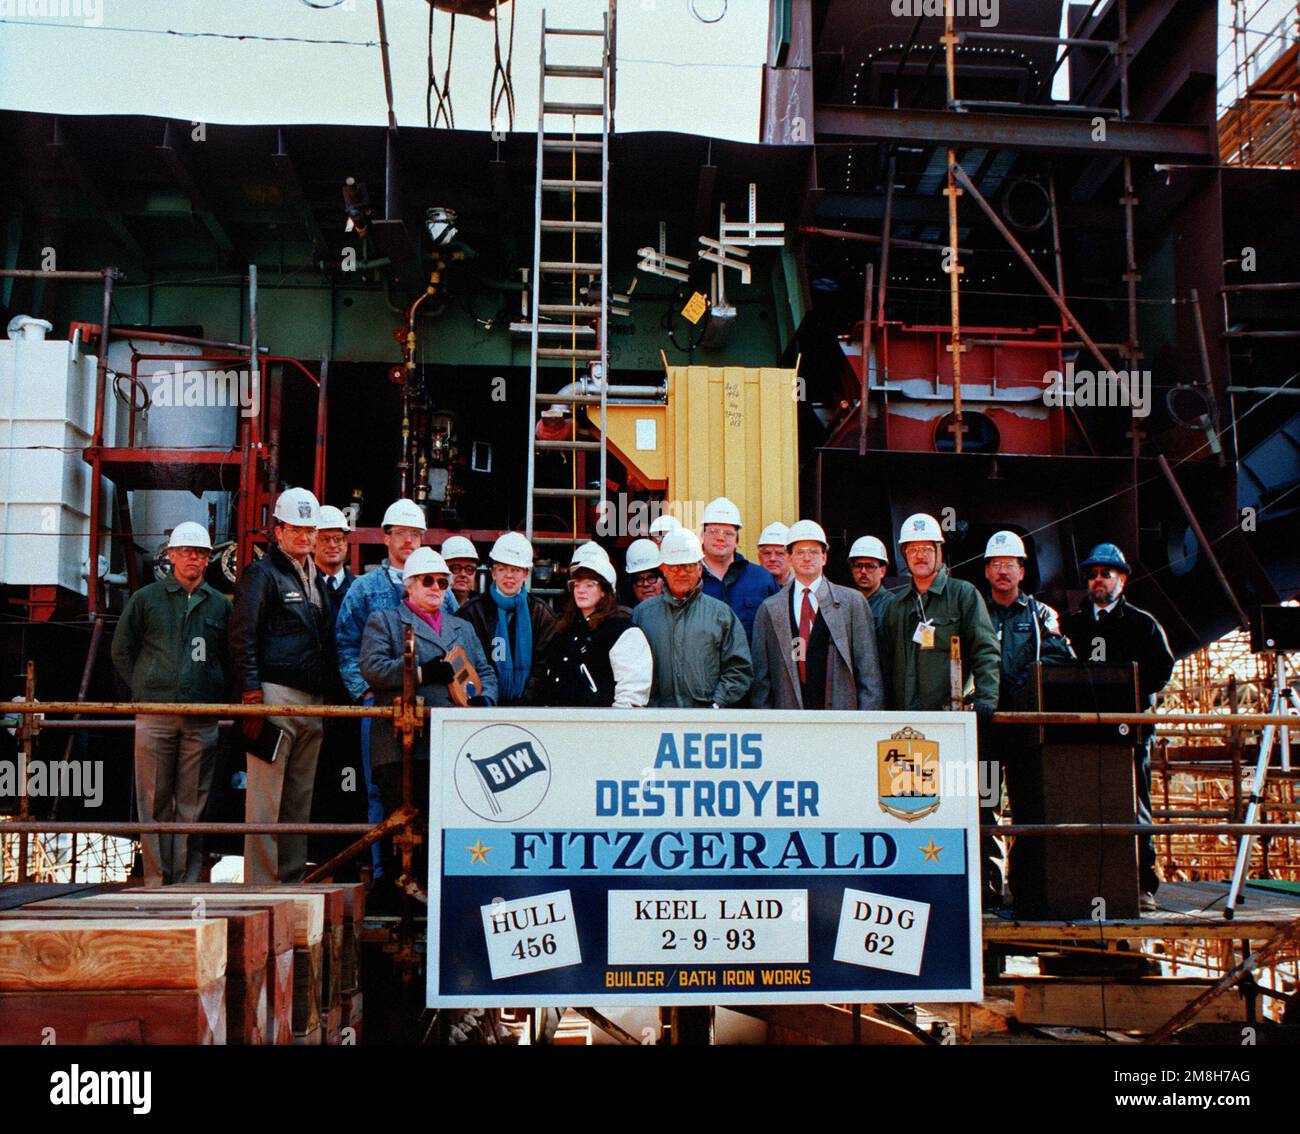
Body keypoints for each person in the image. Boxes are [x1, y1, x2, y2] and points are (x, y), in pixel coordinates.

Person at [879, 512, 1001, 905]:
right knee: (910, 810)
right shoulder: (897, 607)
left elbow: (985, 649)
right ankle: (920, 890)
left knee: (972, 808)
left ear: (938, 552)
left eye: (925, 549)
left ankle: (984, 891)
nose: (919, 556)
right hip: (907, 732)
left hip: (952, 727)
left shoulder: (964, 596)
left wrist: (985, 701)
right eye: (912, 550)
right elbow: (883, 664)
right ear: (904, 556)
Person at [359, 547, 497, 888]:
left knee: (441, 823)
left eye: (442, 582)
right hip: (398, 745)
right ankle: (400, 905)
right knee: (401, 826)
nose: (436, 587)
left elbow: (485, 672)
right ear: (409, 585)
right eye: (427, 581)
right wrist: (421, 673)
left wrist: (484, 701)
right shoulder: (385, 621)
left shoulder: (461, 627)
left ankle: (435, 905)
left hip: (449, 744)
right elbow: (372, 668)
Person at [111, 521, 228, 885]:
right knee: (155, 801)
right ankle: (157, 881)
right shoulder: (146, 600)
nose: (194, 558)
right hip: (156, 714)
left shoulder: (220, 606)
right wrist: (146, 689)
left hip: (200, 716)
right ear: (172, 556)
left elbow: (227, 658)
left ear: (208, 560)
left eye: (201, 553)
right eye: (187, 552)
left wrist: (211, 691)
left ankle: (185, 882)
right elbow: (121, 650)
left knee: (192, 805)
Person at [229, 487, 336, 884]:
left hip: (310, 701)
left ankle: (290, 882)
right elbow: (243, 636)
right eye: (296, 530)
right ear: (278, 531)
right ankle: (260, 885)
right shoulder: (262, 575)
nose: (305, 537)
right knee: (265, 800)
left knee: (298, 799)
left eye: (310, 530)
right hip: (274, 696)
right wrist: (252, 697)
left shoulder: (315, 581)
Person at [1064, 542, 1174, 910]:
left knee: (1133, 804)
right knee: (1082, 806)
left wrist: (1128, 699)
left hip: (1127, 734)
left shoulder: (1142, 625)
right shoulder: (1073, 624)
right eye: (1093, 575)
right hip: (1082, 736)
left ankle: (1142, 884)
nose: (1098, 581)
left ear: (1122, 580)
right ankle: (1086, 882)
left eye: (1105, 574)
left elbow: (1161, 671)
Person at [334, 497, 428, 879]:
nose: (408, 541)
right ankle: (382, 876)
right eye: (401, 534)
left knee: (423, 790)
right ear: (386, 538)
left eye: (415, 535)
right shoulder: (365, 589)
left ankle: (420, 879)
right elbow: (345, 644)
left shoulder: (435, 582)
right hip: (380, 708)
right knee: (378, 789)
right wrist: (365, 693)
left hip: (424, 706)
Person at [981, 530, 1075, 907]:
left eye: (1010, 565)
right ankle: (988, 889)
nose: (1003, 572)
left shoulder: (1040, 615)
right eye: (996, 564)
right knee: (985, 803)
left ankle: (1028, 891)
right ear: (987, 571)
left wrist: (1024, 682)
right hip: (986, 731)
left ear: (1022, 571)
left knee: (1028, 803)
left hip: (1023, 729)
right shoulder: (978, 612)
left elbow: (1060, 656)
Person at [750, 520, 883, 710]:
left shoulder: (851, 603)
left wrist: (866, 722)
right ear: (790, 558)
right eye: (800, 552)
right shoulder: (770, 609)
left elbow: (868, 671)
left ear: (824, 558)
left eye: (813, 552)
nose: (807, 558)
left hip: (840, 718)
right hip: (789, 719)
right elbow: (761, 679)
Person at [632, 527, 753, 707]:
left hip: (704, 725)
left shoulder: (721, 614)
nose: (681, 573)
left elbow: (739, 669)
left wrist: (717, 703)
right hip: (656, 722)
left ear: (699, 568)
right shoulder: (642, 615)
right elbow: (630, 671)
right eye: (674, 567)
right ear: (663, 569)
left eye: (688, 566)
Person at [533, 552, 652, 708]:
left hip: (599, 728)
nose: (581, 590)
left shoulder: (623, 633)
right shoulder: (564, 631)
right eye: (577, 585)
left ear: (604, 590)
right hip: (559, 727)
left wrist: (610, 728)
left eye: (590, 585)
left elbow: (632, 695)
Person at [456, 532, 558, 706]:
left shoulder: (541, 614)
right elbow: (465, 663)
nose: (509, 576)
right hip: (483, 705)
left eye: (515, 570)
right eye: (502, 569)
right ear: (493, 573)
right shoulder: (472, 613)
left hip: (529, 708)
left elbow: (543, 667)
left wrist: (523, 704)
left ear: (525, 574)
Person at [699, 496, 779, 640]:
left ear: (737, 540)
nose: (720, 538)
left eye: (728, 533)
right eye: (713, 531)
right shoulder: (689, 579)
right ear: (702, 536)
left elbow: (778, 631)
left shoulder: (762, 579)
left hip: (750, 662)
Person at [314, 505, 355, 618]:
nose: (332, 545)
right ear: (313, 544)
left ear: (346, 543)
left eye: (338, 539)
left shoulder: (359, 588)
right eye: (325, 539)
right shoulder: (301, 586)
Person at [848, 535, 896, 628]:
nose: (863, 571)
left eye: (870, 566)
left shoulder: (892, 605)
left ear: (882, 571)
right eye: (858, 566)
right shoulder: (846, 603)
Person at [441, 535, 480, 613]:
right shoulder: (432, 606)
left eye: (469, 569)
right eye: (456, 568)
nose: (463, 574)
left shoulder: (482, 608)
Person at [624, 538, 663, 606]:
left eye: (652, 578)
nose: (646, 584)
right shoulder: (626, 615)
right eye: (639, 579)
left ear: (663, 579)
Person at [755, 521, 792, 587]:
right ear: (759, 557)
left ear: (791, 558)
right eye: (767, 553)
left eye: (780, 553)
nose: (772, 558)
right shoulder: (750, 587)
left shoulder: (801, 590)